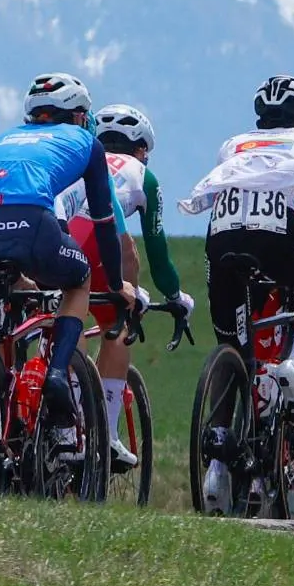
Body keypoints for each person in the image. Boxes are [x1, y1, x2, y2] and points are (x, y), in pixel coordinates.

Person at [189, 78, 294, 509]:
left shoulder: (234, 143)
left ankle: (217, 465)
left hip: (221, 237)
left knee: (233, 348)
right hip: (276, 232)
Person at [0, 74, 116, 452]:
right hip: (32, 223)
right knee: (79, 280)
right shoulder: (87, 142)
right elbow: (104, 222)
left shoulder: (3, 138)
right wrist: (115, 283)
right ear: (79, 115)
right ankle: (59, 373)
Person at [85, 105, 194, 469]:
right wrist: (175, 296)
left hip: (54, 234)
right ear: (142, 149)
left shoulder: (79, 157)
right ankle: (108, 434)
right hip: (98, 241)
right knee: (119, 322)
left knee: (56, 314)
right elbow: (157, 251)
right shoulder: (144, 176)